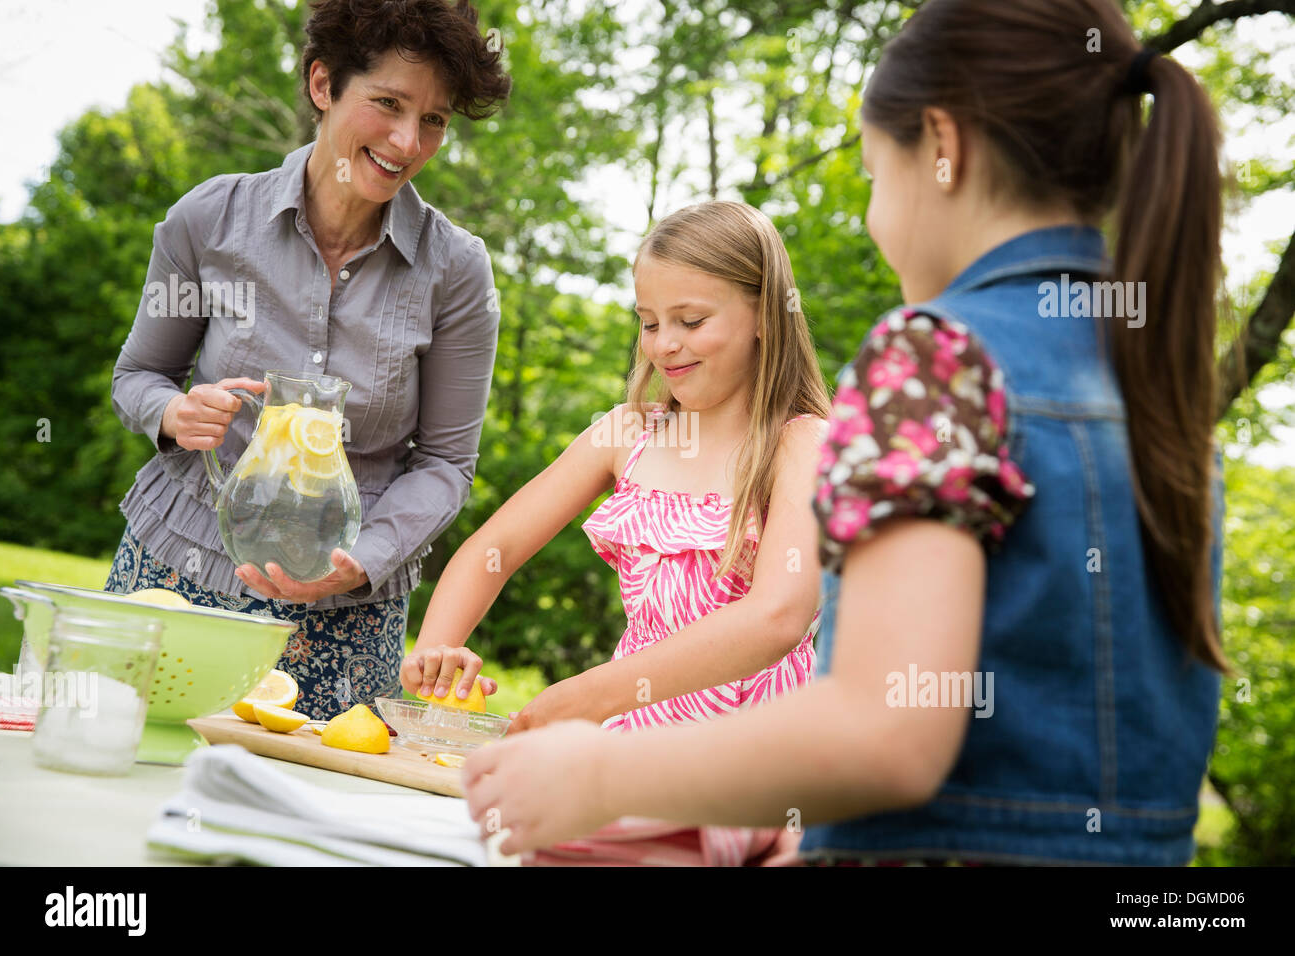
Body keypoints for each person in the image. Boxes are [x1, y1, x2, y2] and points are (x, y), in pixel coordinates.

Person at [462, 0, 1228, 866]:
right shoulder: (1160, 380)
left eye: (871, 173)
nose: (872, 213)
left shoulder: (935, 357)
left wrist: (599, 775)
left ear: (943, 148)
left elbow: (889, 737)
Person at [107, 0, 511, 719]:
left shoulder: (457, 271)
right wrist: (172, 411)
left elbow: (447, 462)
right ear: (323, 84)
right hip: (176, 568)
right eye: (387, 103)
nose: (406, 140)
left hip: (346, 623)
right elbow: (138, 376)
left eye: (435, 119)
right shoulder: (207, 221)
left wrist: (367, 556)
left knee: (303, 815)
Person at [401, 201, 830, 732]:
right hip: (627, 753)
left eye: (691, 321)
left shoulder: (803, 445)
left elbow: (777, 618)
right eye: (649, 323)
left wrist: (589, 696)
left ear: (764, 314)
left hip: (754, 762)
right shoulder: (629, 433)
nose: (665, 345)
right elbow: (495, 549)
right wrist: (437, 655)